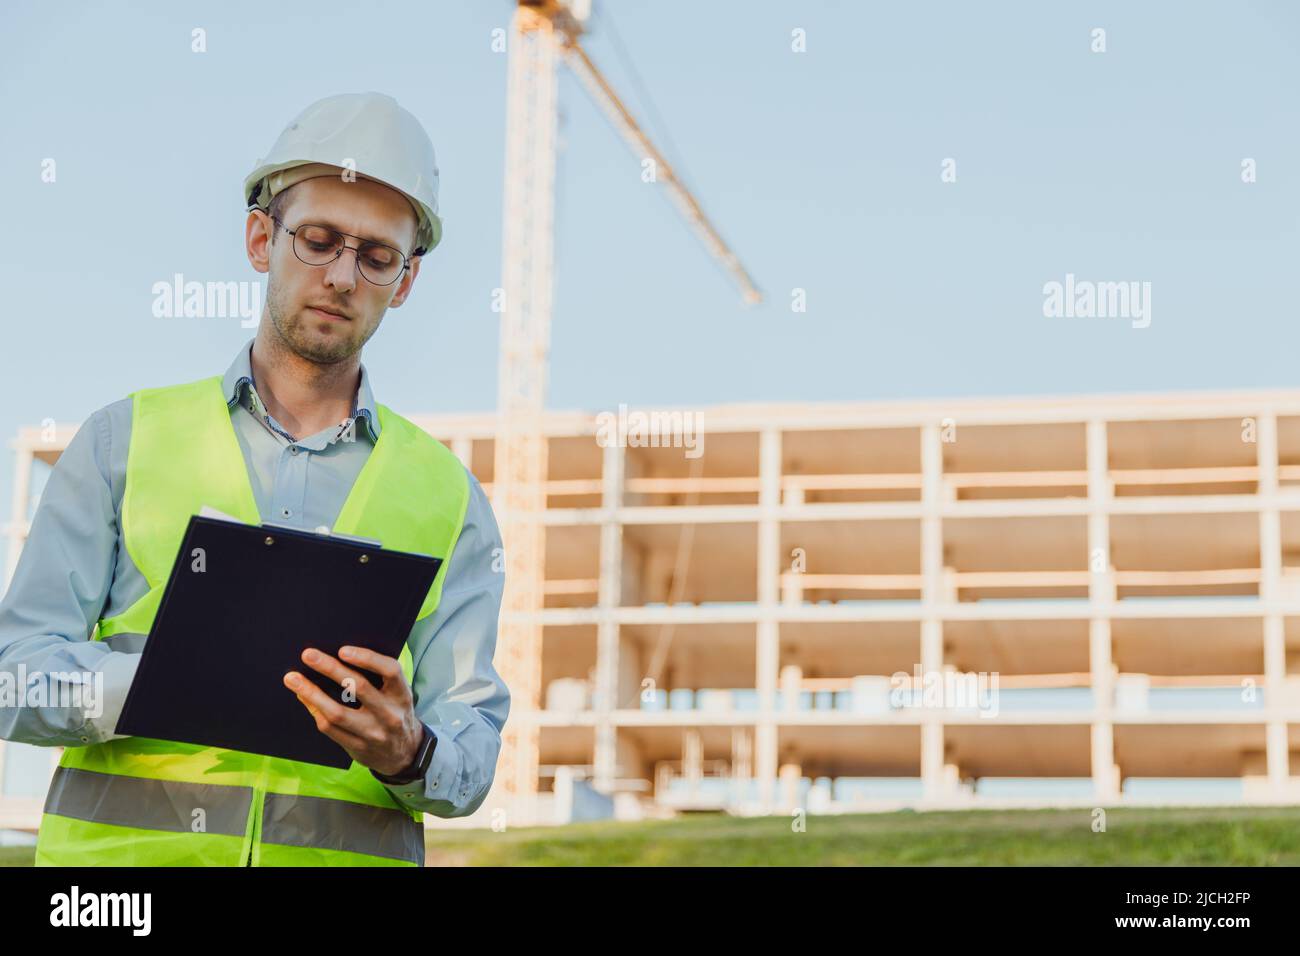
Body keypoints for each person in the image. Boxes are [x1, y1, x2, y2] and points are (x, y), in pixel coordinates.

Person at [0, 91, 510, 866]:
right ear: (259, 239)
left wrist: (408, 750)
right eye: (317, 239)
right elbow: (15, 680)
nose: (342, 275)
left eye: (375, 256)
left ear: (404, 281)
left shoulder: (451, 498)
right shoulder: (123, 440)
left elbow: (470, 754)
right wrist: (160, 682)